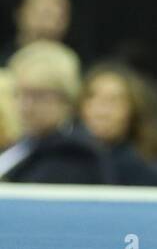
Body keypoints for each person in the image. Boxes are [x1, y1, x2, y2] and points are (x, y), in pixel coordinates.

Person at [0, 42, 111, 184]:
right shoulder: (23, 144)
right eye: (19, 94)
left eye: (38, 96)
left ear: (66, 100)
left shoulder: (76, 155)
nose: (26, 106)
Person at [79, 63, 157, 186]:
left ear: (134, 111)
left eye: (114, 101)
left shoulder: (153, 170)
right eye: (91, 97)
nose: (101, 111)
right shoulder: (65, 160)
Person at [0, 0, 72, 66]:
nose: (50, 25)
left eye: (59, 16)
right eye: (44, 14)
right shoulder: (3, 65)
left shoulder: (74, 66)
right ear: (19, 13)